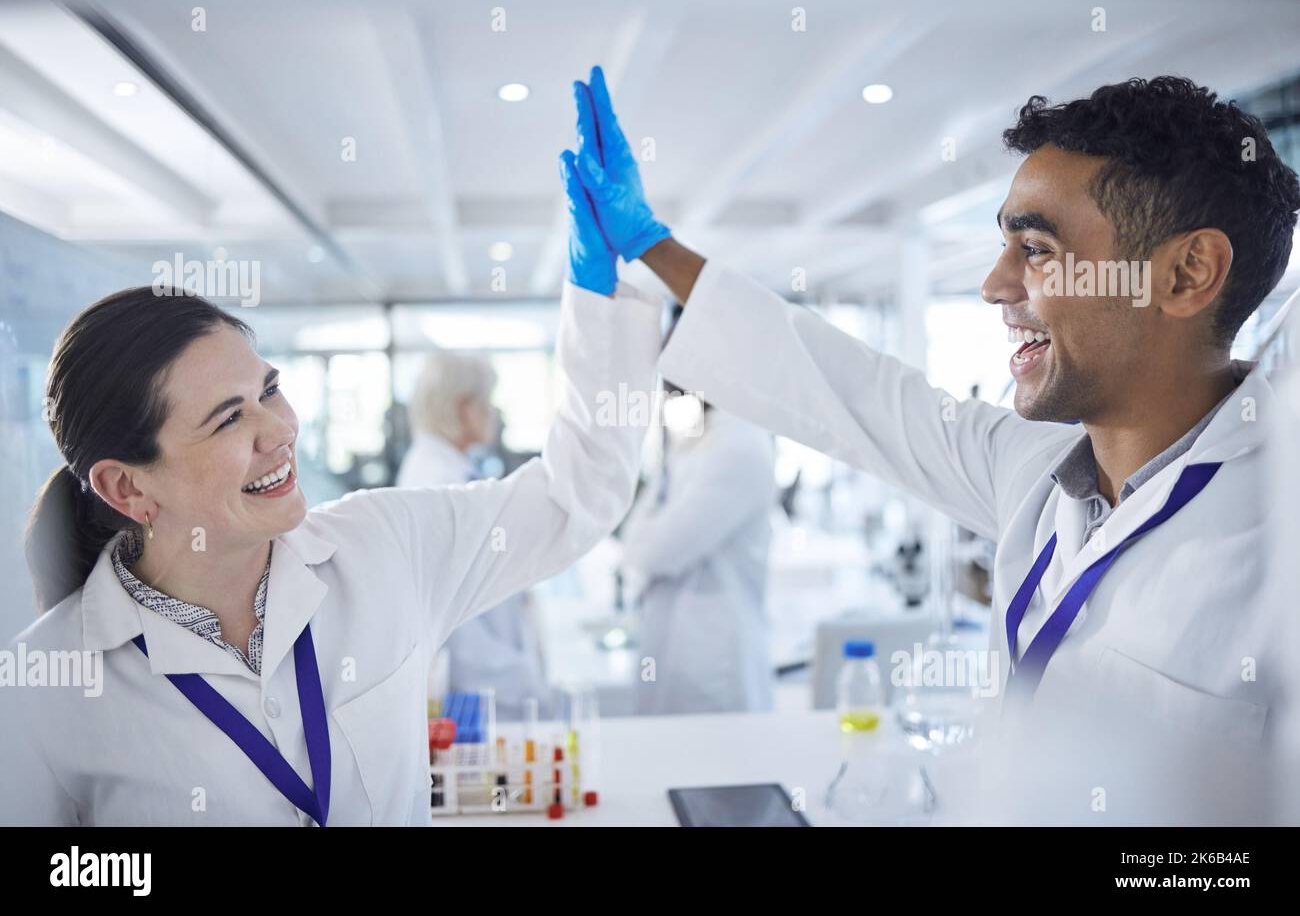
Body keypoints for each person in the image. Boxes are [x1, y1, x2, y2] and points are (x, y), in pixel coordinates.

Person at [560, 67, 1300, 823]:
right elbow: (854, 393)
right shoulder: (1036, 477)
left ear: (1186, 273)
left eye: (1038, 249)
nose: (993, 284)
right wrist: (653, 246)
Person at [0, 166, 662, 825]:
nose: (280, 430)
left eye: (269, 389)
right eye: (228, 419)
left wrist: (598, 295)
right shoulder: (41, 690)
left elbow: (575, 494)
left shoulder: (386, 545)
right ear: (128, 485)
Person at [397, 350, 550, 720]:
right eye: (489, 401)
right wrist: (520, 678)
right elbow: (456, 627)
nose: (495, 413)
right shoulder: (440, 486)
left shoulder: (446, 473)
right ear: (466, 408)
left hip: (493, 682)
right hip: (483, 692)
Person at [619, 378, 776, 714]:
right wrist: (643, 542)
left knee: (719, 761)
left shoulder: (740, 445)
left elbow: (656, 552)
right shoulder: (694, 436)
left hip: (716, 660)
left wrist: (644, 541)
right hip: (671, 644)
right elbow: (632, 542)